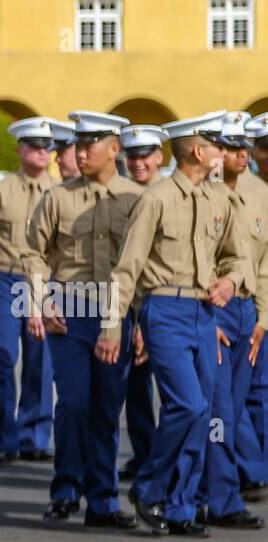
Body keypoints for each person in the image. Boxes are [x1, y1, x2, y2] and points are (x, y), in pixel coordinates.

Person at [108, 110, 243, 537]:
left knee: (202, 414)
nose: (222, 152)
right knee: (189, 404)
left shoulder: (216, 198)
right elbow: (126, 269)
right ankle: (149, 486)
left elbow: (235, 256)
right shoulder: (157, 200)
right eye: (216, 146)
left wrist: (230, 280)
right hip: (164, 310)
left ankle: (181, 507)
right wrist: (115, 327)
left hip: (204, 312)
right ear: (199, 151)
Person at [23, 111, 141, 530]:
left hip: (115, 311)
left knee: (107, 408)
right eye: (79, 143)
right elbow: (33, 252)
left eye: (91, 144)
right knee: (72, 403)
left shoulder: (135, 197)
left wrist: (139, 323)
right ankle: (66, 490)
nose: (82, 151)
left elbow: (142, 265)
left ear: (114, 149)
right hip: (69, 311)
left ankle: (103, 501)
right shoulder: (58, 198)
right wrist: (40, 299)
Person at [0, 118, 57, 464]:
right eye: (35, 146)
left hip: (43, 283)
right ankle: (3, 439)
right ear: (20, 149)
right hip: (6, 281)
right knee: (3, 358)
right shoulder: (0, 190)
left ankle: (34, 437)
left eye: (47, 147)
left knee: (41, 361)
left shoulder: (58, 190)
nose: (42, 153)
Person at [194, 111, 264, 530]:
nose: (239, 154)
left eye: (243, 146)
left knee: (232, 411)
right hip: (213, 310)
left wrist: (263, 319)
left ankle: (204, 490)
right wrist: (205, 317)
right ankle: (220, 498)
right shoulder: (203, 197)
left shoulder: (258, 195)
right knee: (217, 412)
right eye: (228, 146)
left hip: (247, 311)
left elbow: (265, 263)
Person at [117, 123, 168, 482]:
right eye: (132, 156)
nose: (138, 163)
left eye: (145, 156)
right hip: (127, 305)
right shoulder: (118, 197)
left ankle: (165, 459)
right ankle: (145, 454)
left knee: (175, 393)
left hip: (164, 306)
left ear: (159, 157)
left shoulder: (174, 195)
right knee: (134, 390)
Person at [238, 113, 268, 502]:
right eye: (264, 146)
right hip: (254, 300)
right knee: (255, 390)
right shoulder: (250, 190)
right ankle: (254, 467)